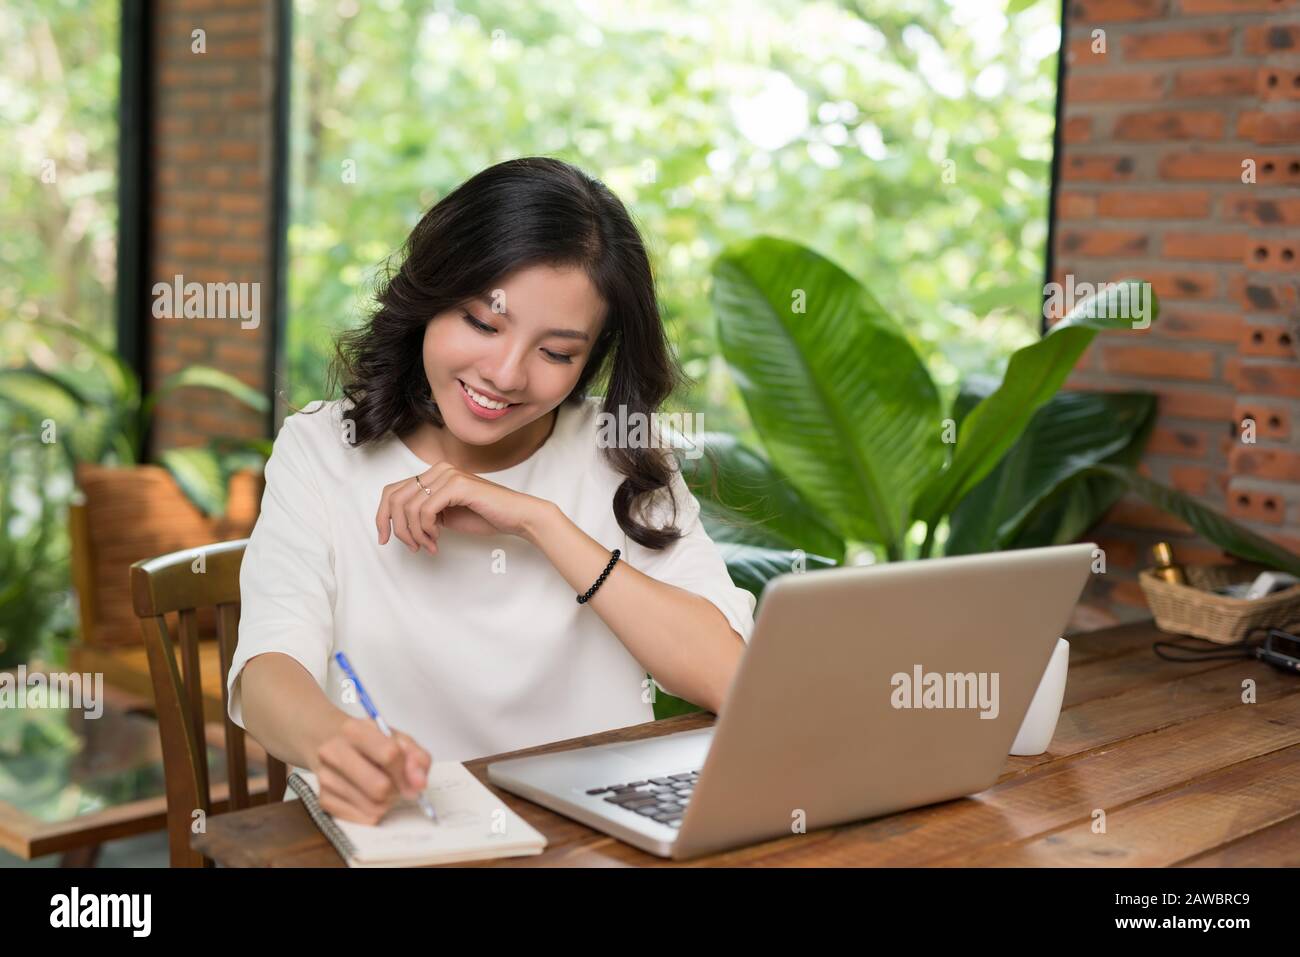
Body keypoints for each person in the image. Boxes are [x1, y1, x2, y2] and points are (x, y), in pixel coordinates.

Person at [228, 156, 757, 826]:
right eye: (483, 321)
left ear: (589, 360)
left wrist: (540, 524)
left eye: (556, 353)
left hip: (589, 837)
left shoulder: (620, 448)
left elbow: (730, 679)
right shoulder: (320, 450)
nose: (505, 374)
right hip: (401, 830)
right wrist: (332, 743)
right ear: (429, 293)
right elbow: (270, 668)